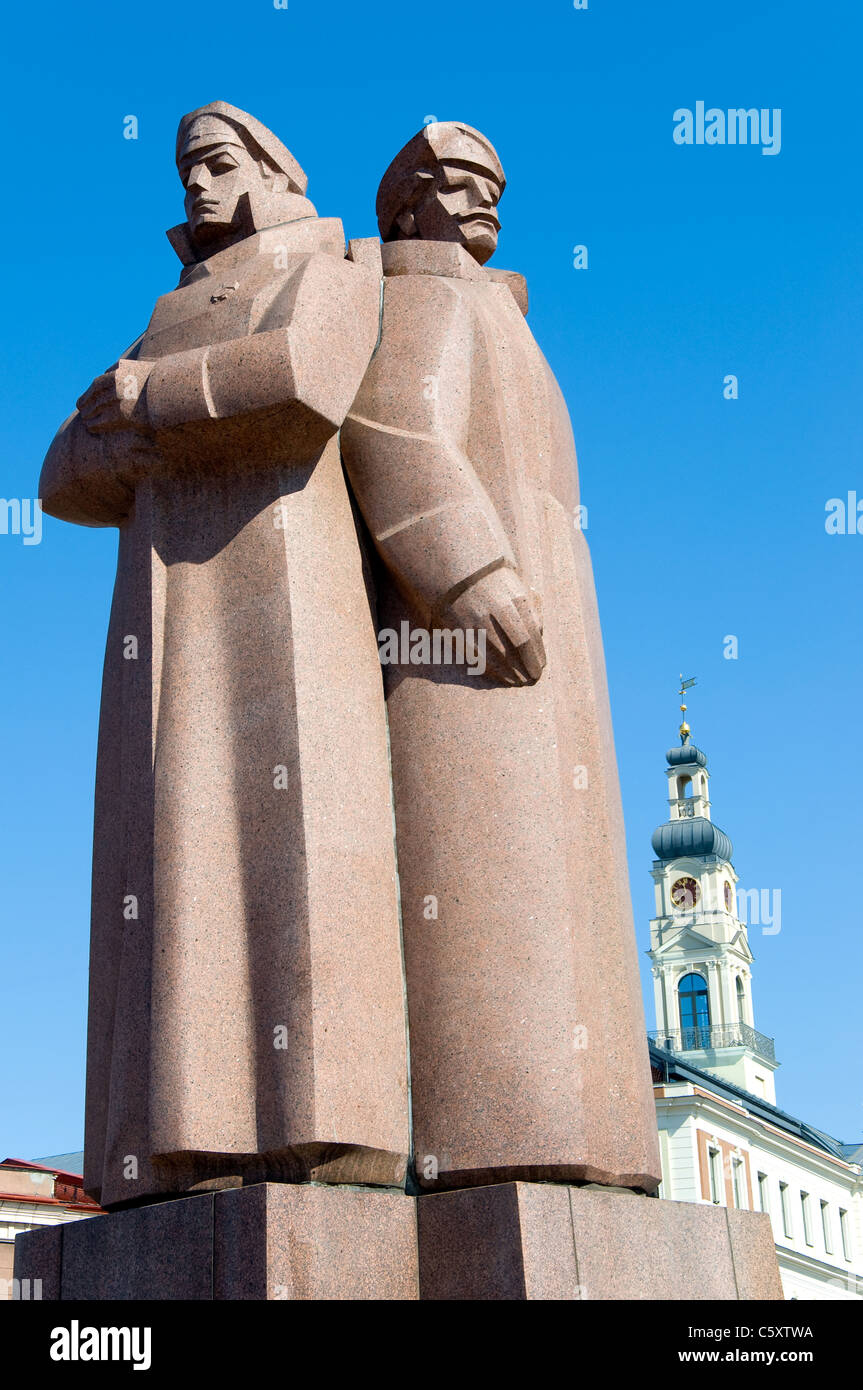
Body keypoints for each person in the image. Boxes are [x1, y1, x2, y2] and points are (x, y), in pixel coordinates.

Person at [40, 102, 410, 1208]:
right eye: (182, 169)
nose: (194, 185)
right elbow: (64, 476)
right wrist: (114, 422)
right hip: (160, 617)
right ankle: (173, 1136)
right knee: (165, 858)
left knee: (289, 836)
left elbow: (305, 380)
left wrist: (151, 400)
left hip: (285, 587)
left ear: (268, 168)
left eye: (214, 163)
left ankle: (317, 1123)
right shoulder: (164, 310)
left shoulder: (330, 263)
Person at [341, 122, 661, 1194]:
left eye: (490, 184)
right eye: (455, 183)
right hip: (465, 644)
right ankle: (500, 1141)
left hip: (545, 647)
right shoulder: (421, 292)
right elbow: (391, 432)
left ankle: (591, 1142)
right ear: (405, 208)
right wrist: (472, 574)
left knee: (561, 883)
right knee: (489, 882)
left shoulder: (497, 307)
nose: (481, 200)